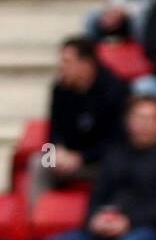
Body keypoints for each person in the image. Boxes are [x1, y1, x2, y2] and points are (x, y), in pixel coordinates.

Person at [44, 94, 156, 240]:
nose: (144, 124)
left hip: (150, 230)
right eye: (138, 118)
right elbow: (97, 195)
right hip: (108, 229)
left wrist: (129, 222)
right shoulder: (114, 154)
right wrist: (95, 220)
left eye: (150, 118)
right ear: (127, 121)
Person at [27, 37, 130, 208]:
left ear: (87, 64)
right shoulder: (59, 89)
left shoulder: (116, 90)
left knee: (119, 164)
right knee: (40, 161)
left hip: (100, 161)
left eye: (67, 62)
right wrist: (57, 149)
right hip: (67, 159)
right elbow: (52, 133)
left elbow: (118, 141)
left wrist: (81, 157)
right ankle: (37, 219)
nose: (61, 67)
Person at [85, 0, 156, 42]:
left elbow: (150, 6)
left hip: (143, 20)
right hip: (119, 16)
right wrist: (112, 12)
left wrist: (124, 12)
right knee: (93, 15)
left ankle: (142, 51)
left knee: (140, 18)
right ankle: (91, 51)